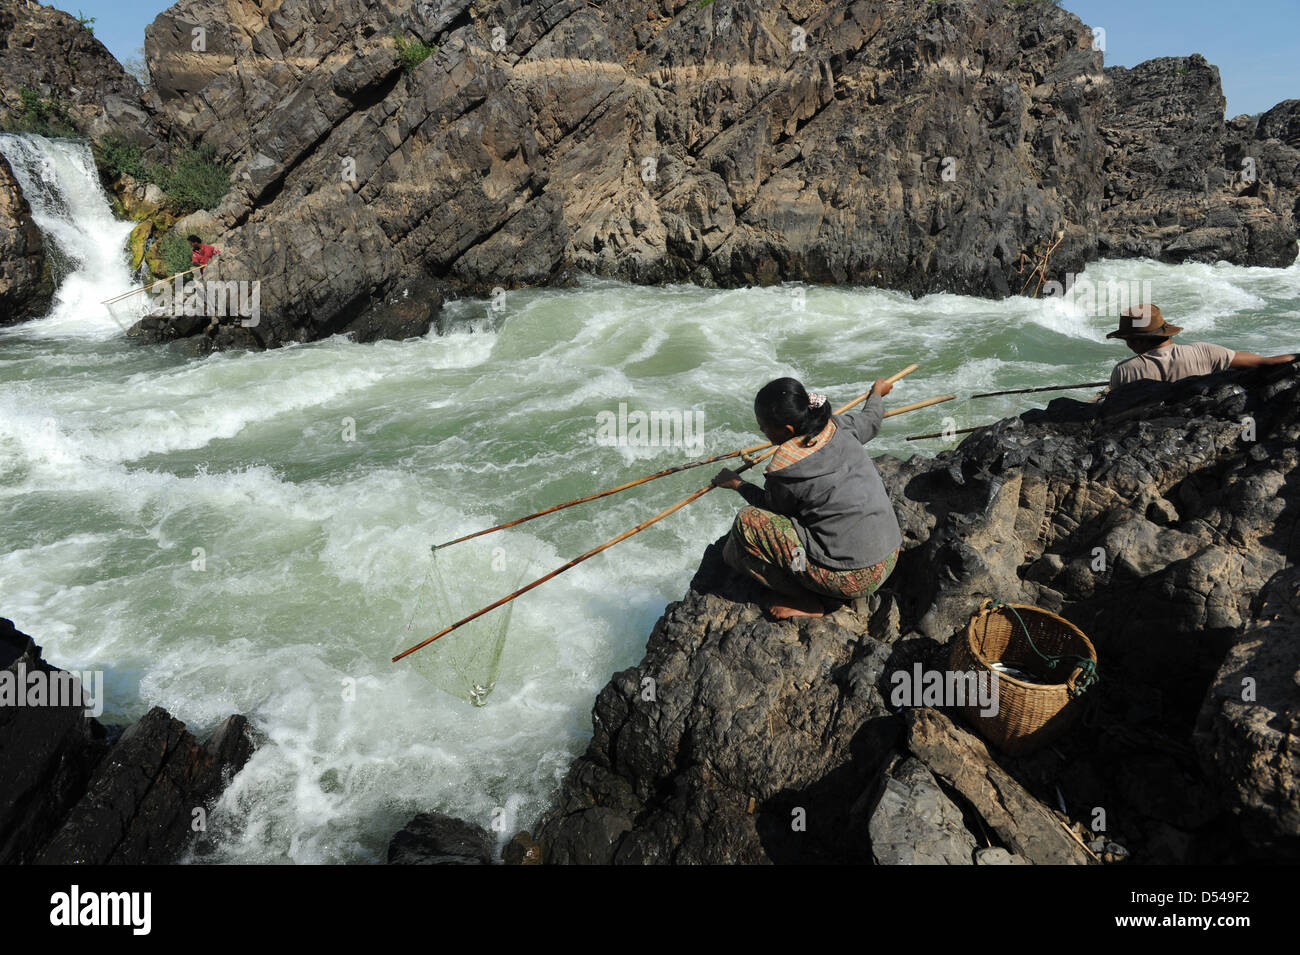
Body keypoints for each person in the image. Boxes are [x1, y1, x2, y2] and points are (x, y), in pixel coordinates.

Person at [712, 376, 903, 620]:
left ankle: (806, 601)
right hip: (889, 554)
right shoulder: (839, 426)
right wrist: (876, 394)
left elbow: (773, 508)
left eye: (764, 427)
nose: (762, 431)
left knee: (747, 521)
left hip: (851, 579)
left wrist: (738, 484)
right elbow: (871, 420)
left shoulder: (785, 469)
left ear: (788, 430)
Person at [1107, 305, 1295, 389]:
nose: (1128, 345)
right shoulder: (1205, 351)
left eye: (1127, 340)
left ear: (1139, 341)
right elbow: (1265, 363)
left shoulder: (1124, 371)